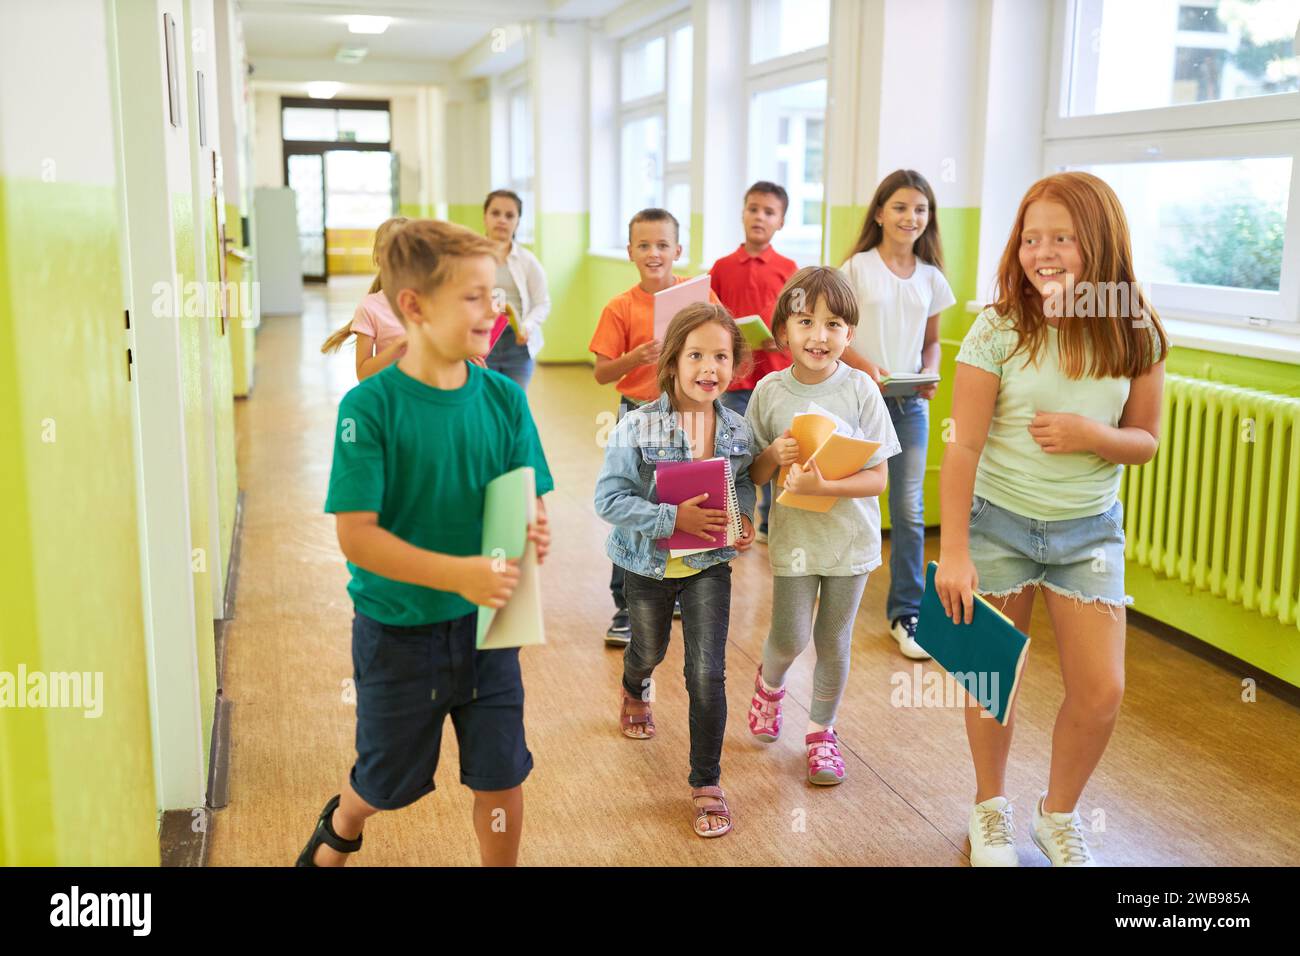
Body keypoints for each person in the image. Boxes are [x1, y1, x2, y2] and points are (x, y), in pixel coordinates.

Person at [296, 219, 554, 867]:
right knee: (388, 779)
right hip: (399, 632)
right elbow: (357, 537)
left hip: (490, 627)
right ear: (412, 306)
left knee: (501, 774)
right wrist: (457, 574)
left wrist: (534, 524)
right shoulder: (370, 409)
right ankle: (345, 820)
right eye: (472, 296)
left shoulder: (504, 399)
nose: (491, 311)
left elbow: (526, 493)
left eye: (494, 295)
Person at [935, 171, 1167, 866]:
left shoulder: (1136, 330)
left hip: (1087, 533)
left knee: (1102, 692)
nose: (1042, 252)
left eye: (1061, 237)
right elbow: (963, 445)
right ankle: (989, 808)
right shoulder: (998, 326)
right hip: (996, 521)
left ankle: (1057, 816)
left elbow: (1145, 442)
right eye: (1031, 237)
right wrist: (954, 551)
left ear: (1098, 242)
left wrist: (1091, 435)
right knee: (989, 677)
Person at [594, 301, 756, 837]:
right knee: (650, 649)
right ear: (672, 361)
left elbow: (746, 483)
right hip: (647, 565)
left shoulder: (737, 428)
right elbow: (609, 499)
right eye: (696, 355)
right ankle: (634, 685)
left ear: (735, 365)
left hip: (710, 565)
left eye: (721, 356)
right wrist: (671, 517)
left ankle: (706, 783)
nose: (709, 367)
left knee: (706, 672)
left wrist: (745, 518)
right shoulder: (636, 424)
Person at [745, 267, 900, 785]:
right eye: (806, 321)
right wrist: (772, 452)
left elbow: (878, 477)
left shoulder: (862, 389)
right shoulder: (768, 391)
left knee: (834, 640)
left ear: (849, 335)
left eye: (834, 324)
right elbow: (754, 474)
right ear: (783, 330)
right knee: (789, 636)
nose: (819, 335)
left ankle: (821, 733)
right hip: (793, 540)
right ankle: (770, 685)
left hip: (852, 542)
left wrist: (826, 488)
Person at [841, 170, 956, 659]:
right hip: (859, 399)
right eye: (902, 207)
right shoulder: (856, 268)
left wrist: (929, 373)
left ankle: (906, 612)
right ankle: (835, 598)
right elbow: (836, 336)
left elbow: (932, 343)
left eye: (921, 209)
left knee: (909, 509)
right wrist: (870, 370)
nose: (911, 217)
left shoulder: (932, 277)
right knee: (849, 499)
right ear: (880, 213)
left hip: (910, 405)